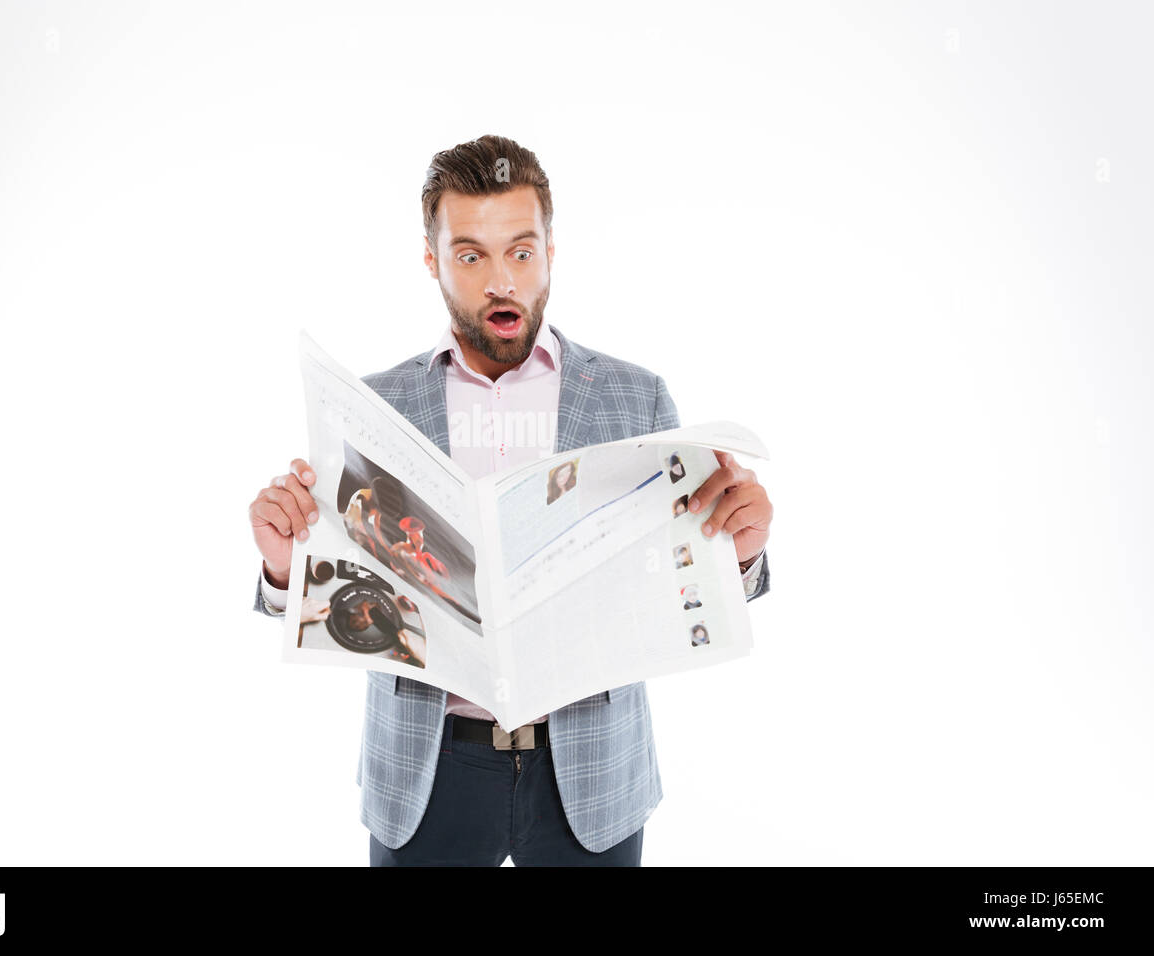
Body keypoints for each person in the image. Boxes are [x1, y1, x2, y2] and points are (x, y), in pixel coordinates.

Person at [247, 134, 773, 866]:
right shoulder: (374, 409)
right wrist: (283, 569)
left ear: (551, 250)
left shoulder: (636, 397)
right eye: (471, 256)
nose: (502, 281)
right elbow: (337, 595)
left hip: (590, 771)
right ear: (431, 260)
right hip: (426, 774)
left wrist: (738, 557)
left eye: (521, 252)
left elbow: (677, 587)